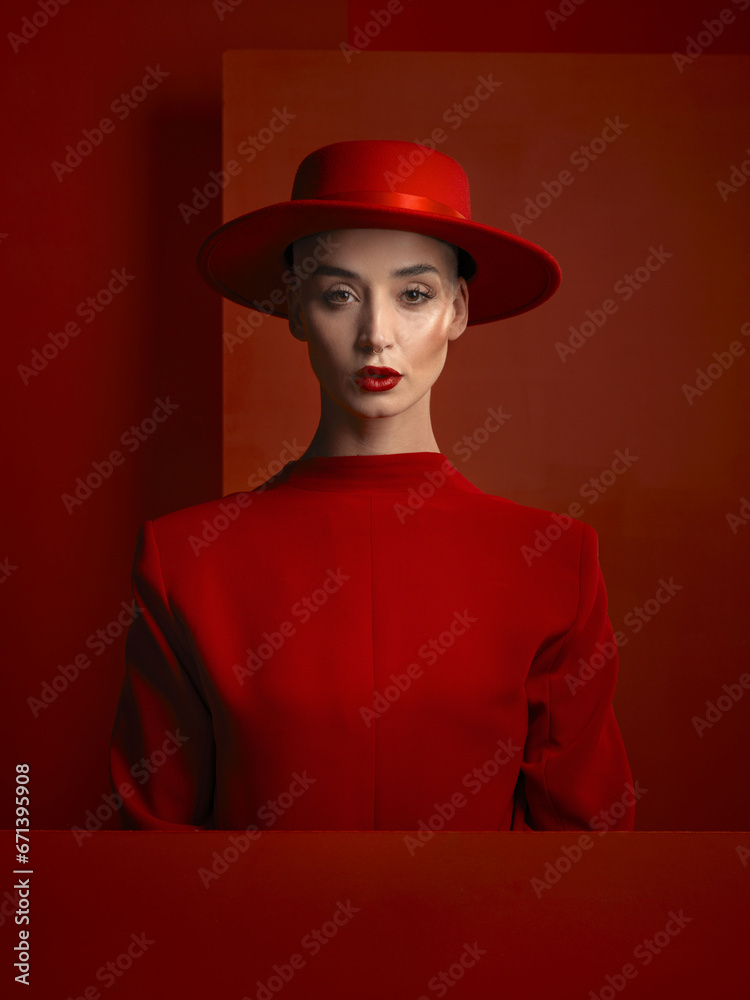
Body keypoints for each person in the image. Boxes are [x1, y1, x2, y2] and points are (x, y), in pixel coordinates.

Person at [108, 139, 635, 833]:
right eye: (339, 294)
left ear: (459, 310)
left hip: (485, 943)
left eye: (413, 294)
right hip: (250, 942)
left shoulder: (555, 562)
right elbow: (150, 859)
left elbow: (585, 857)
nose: (376, 334)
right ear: (296, 310)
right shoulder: (185, 559)